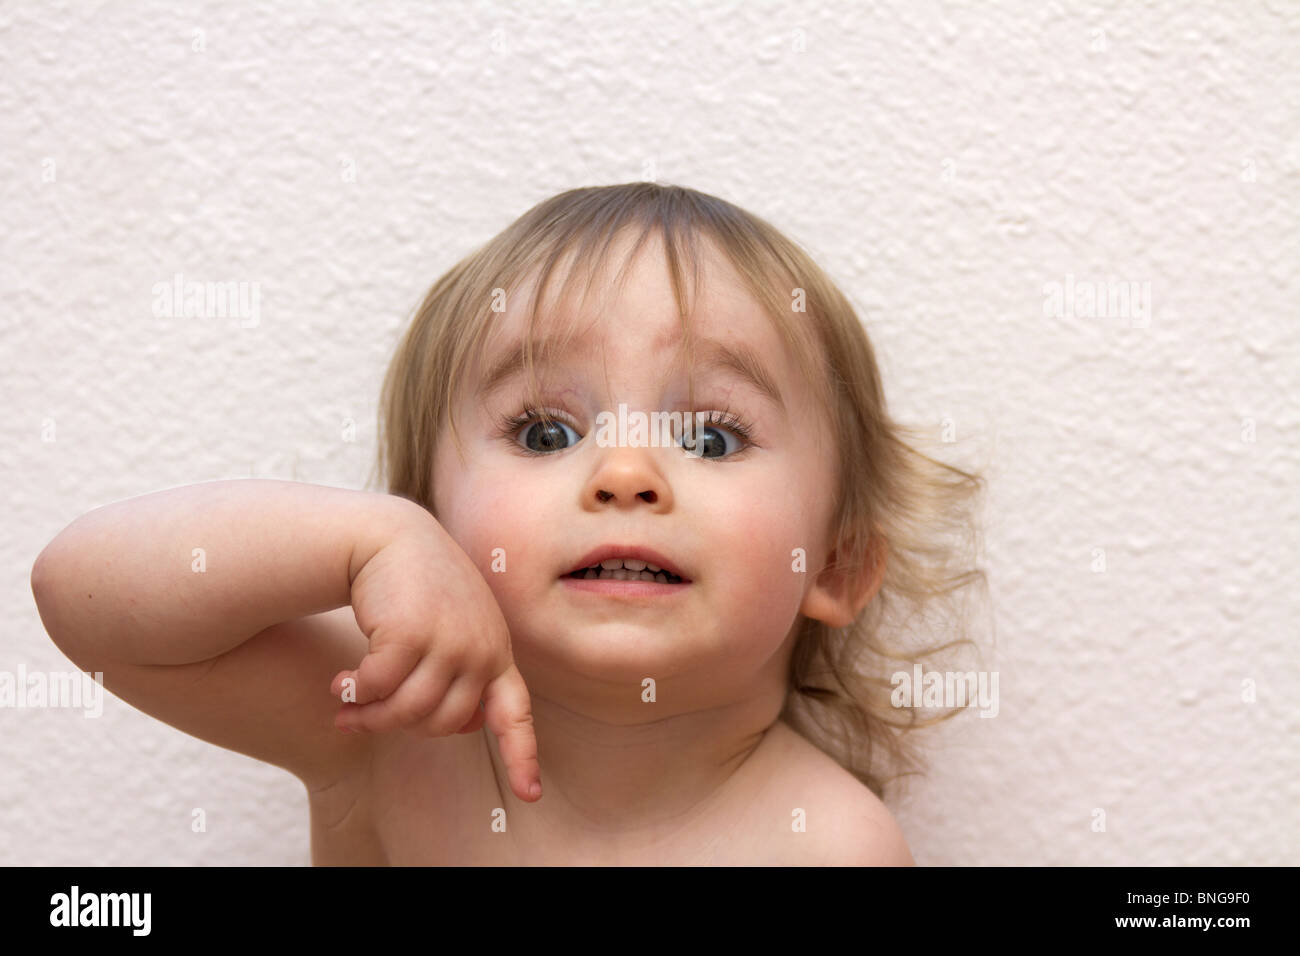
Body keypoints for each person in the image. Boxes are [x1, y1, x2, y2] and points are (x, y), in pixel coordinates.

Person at [32, 182, 987, 865]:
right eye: (543, 431)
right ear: (438, 528)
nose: (624, 473)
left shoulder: (827, 844)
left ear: (838, 562)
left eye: (710, 436)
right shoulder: (385, 732)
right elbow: (82, 600)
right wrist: (371, 544)